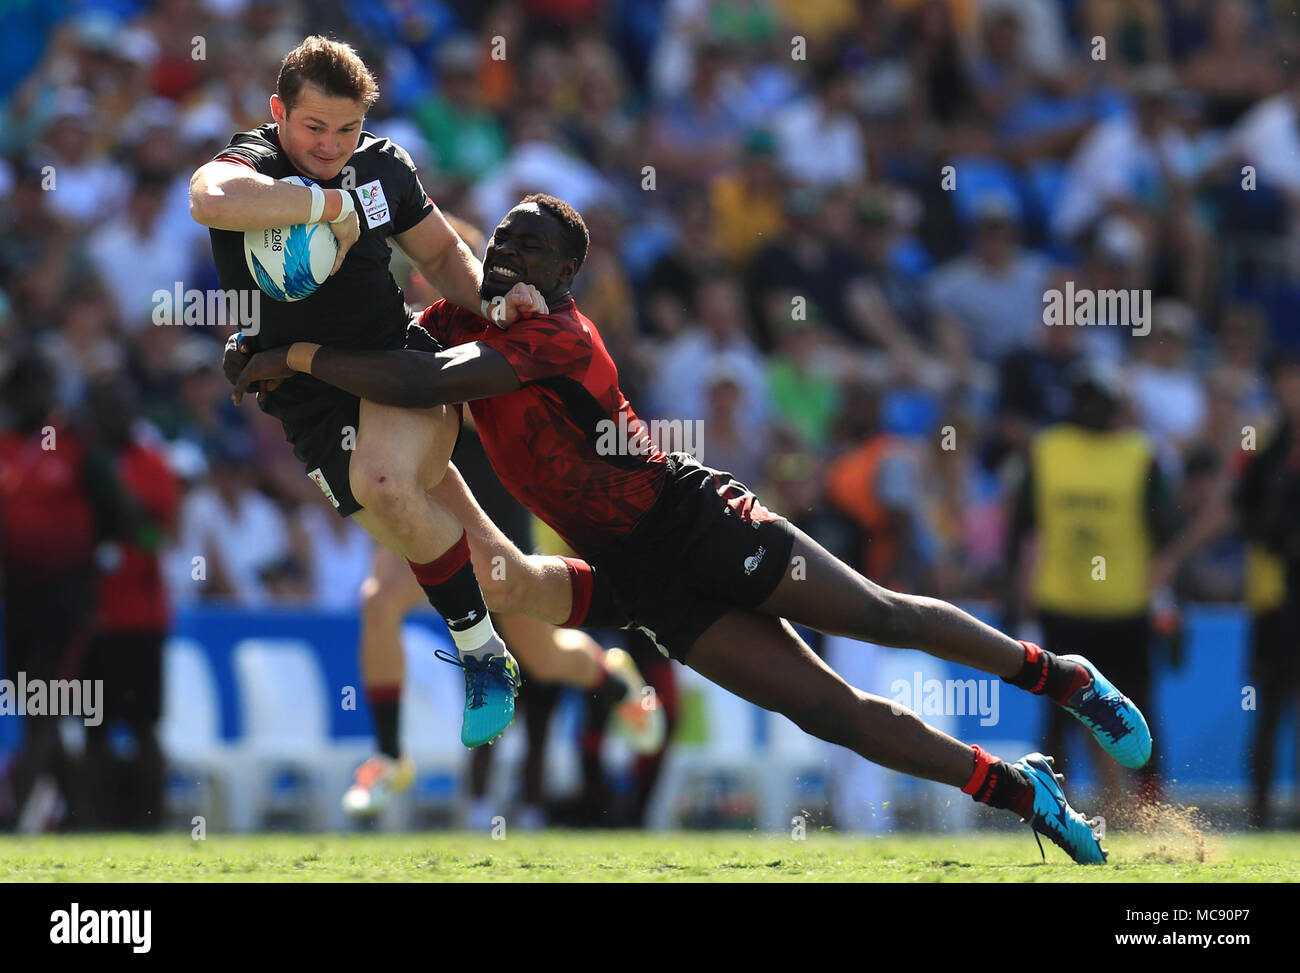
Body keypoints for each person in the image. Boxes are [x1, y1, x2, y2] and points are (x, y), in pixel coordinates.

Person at [231, 194, 1155, 864]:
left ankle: (1063, 677)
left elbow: (426, 385)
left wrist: (290, 353)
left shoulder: (561, 336)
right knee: (828, 711)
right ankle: (1020, 788)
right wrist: (288, 355)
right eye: (502, 233)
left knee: (882, 617)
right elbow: (395, 355)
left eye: (530, 242)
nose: (507, 247)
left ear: (564, 273)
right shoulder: (457, 316)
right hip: (638, 575)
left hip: (697, 519)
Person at [192, 35, 601, 748]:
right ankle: (612, 649)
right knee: (502, 577)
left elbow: (441, 253)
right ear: (278, 114)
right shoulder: (250, 162)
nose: (331, 145)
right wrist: (323, 208)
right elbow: (208, 197)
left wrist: (493, 305)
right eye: (314, 127)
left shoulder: (383, 167)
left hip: (393, 368)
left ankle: (480, 658)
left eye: (346, 128)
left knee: (385, 492)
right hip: (309, 407)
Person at [1004, 361, 1175, 822]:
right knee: (1059, 717)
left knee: (1138, 715)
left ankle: (1150, 813)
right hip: (1064, 605)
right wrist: (1012, 598)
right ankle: (1056, 808)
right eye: (1085, 398)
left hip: (1125, 607)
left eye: (1099, 400)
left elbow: (1165, 530)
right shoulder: (1049, 450)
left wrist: (1170, 598)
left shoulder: (1140, 453)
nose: (1091, 408)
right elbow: (1020, 526)